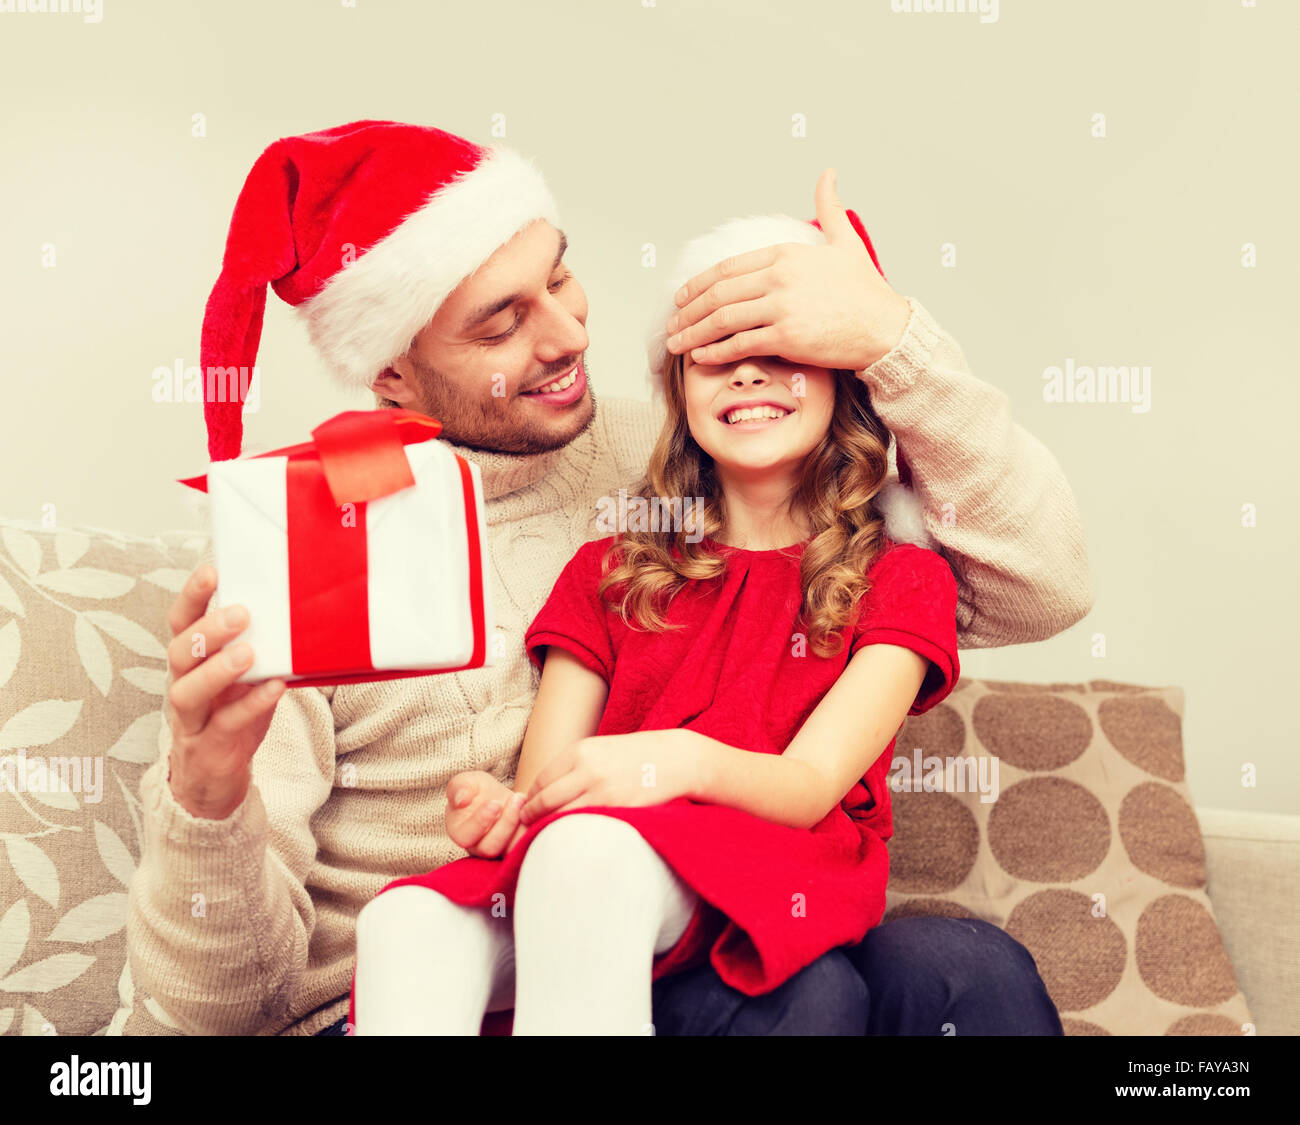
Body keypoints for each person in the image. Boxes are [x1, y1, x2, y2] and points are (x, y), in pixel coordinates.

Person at [127, 120, 1086, 1037]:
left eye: (560, 278)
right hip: (463, 948)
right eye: (503, 322)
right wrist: (207, 794)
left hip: (697, 904)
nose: (569, 336)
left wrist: (888, 337)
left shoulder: (682, 462)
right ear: (394, 375)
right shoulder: (311, 549)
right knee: (800, 996)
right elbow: (204, 1016)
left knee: (964, 973)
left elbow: (1043, 584)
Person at [347, 209, 963, 1034]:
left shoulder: (900, 576)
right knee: (404, 921)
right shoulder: (611, 571)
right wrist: (504, 809)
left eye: (782, 356)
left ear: (843, 385)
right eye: (715, 358)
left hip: (773, 858)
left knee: (584, 853)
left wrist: (669, 762)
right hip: (595, 861)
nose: (748, 376)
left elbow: (811, 785)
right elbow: (548, 784)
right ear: (679, 390)